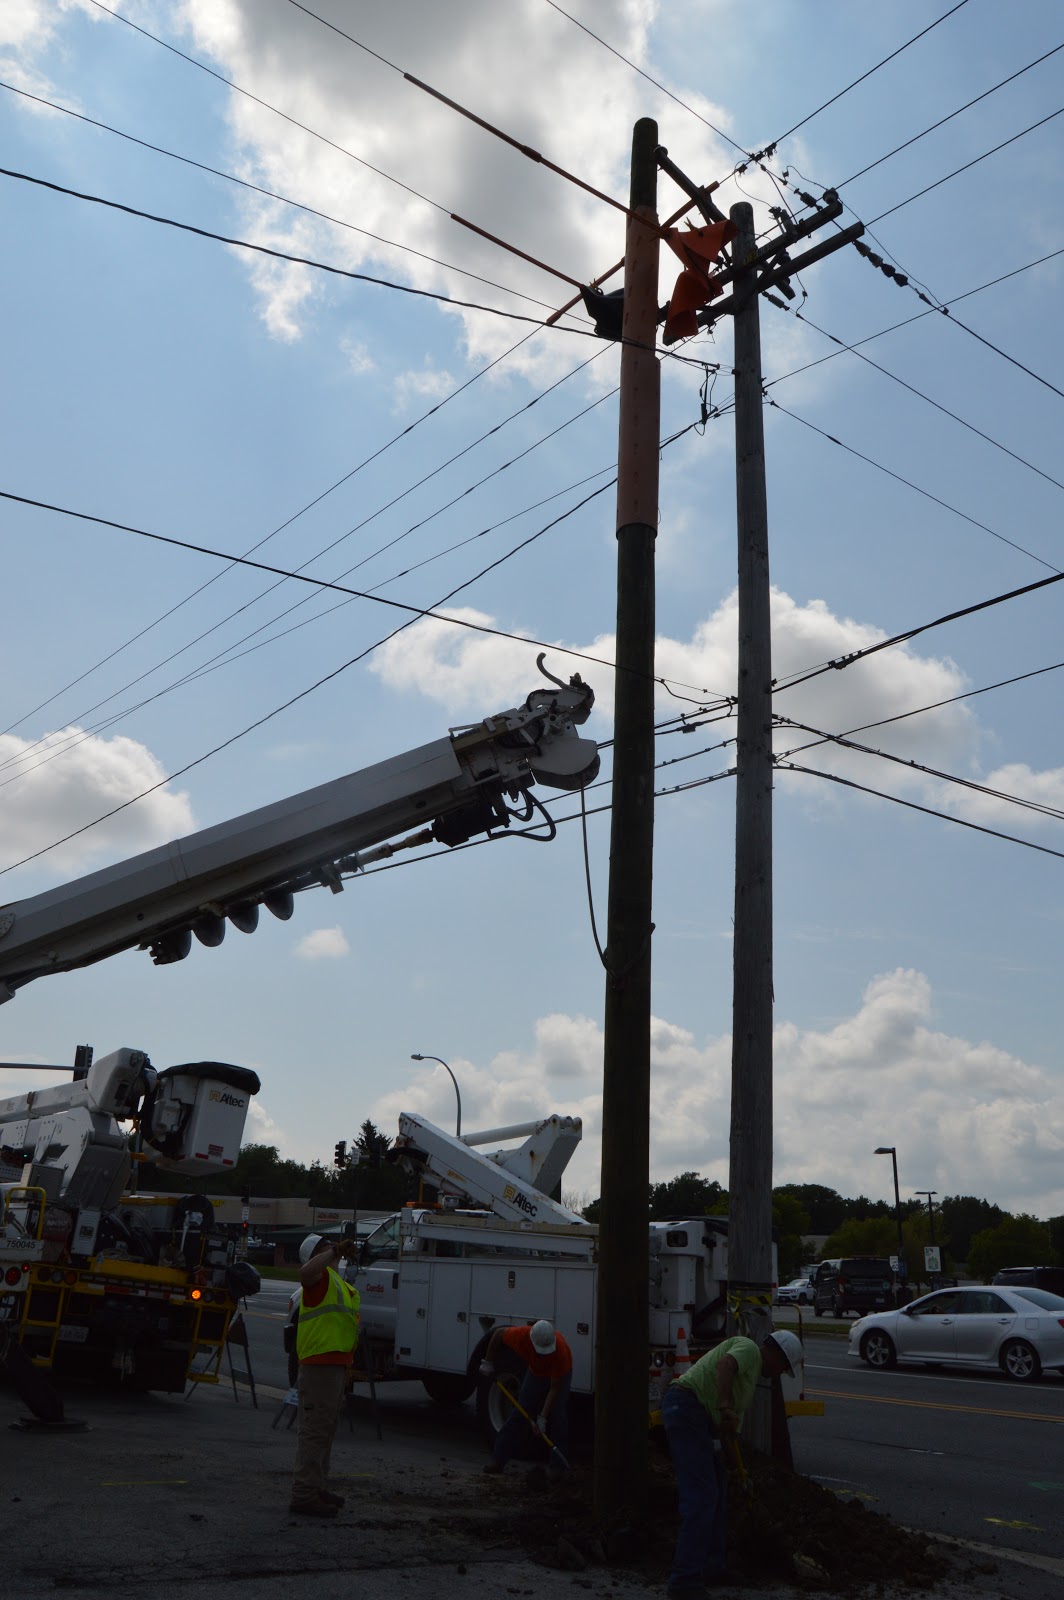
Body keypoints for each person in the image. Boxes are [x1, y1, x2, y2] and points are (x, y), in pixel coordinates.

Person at [662, 1329, 803, 1598]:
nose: (779, 1373)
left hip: (697, 1420)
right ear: (775, 1354)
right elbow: (724, 1365)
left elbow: (727, 1433)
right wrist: (725, 1406)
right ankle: (684, 1581)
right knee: (702, 1498)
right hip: (686, 1408)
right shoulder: (748, 1348)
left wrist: (739, 1472)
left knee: (719, 1489)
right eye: (783, 1367)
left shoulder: (748, 1384)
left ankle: (712, 1567)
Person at [289, 1233, 361, 1518]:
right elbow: (305, 1272)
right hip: (319, 1367)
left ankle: (317, 1486)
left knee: (325, 1431)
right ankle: (304, 1493)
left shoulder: (338, 1284)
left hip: (334, 1366)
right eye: (326, 1249)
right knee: (315, 1431)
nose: (334, 1252)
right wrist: (333, 1251)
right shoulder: (316, 1280)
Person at [479, 1318, 572, 1475]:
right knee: (520, 1411)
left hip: (559, 1374)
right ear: (532, 1341)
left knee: (558, 1417)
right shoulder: (521, 1336)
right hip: (536, 1373)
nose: (543, 1355)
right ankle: (498, 1460)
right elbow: (497, 1334)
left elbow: (554, 1389)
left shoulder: (561, 1352)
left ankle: (558, 1469)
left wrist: (542, 1417)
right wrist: (488, 1362)